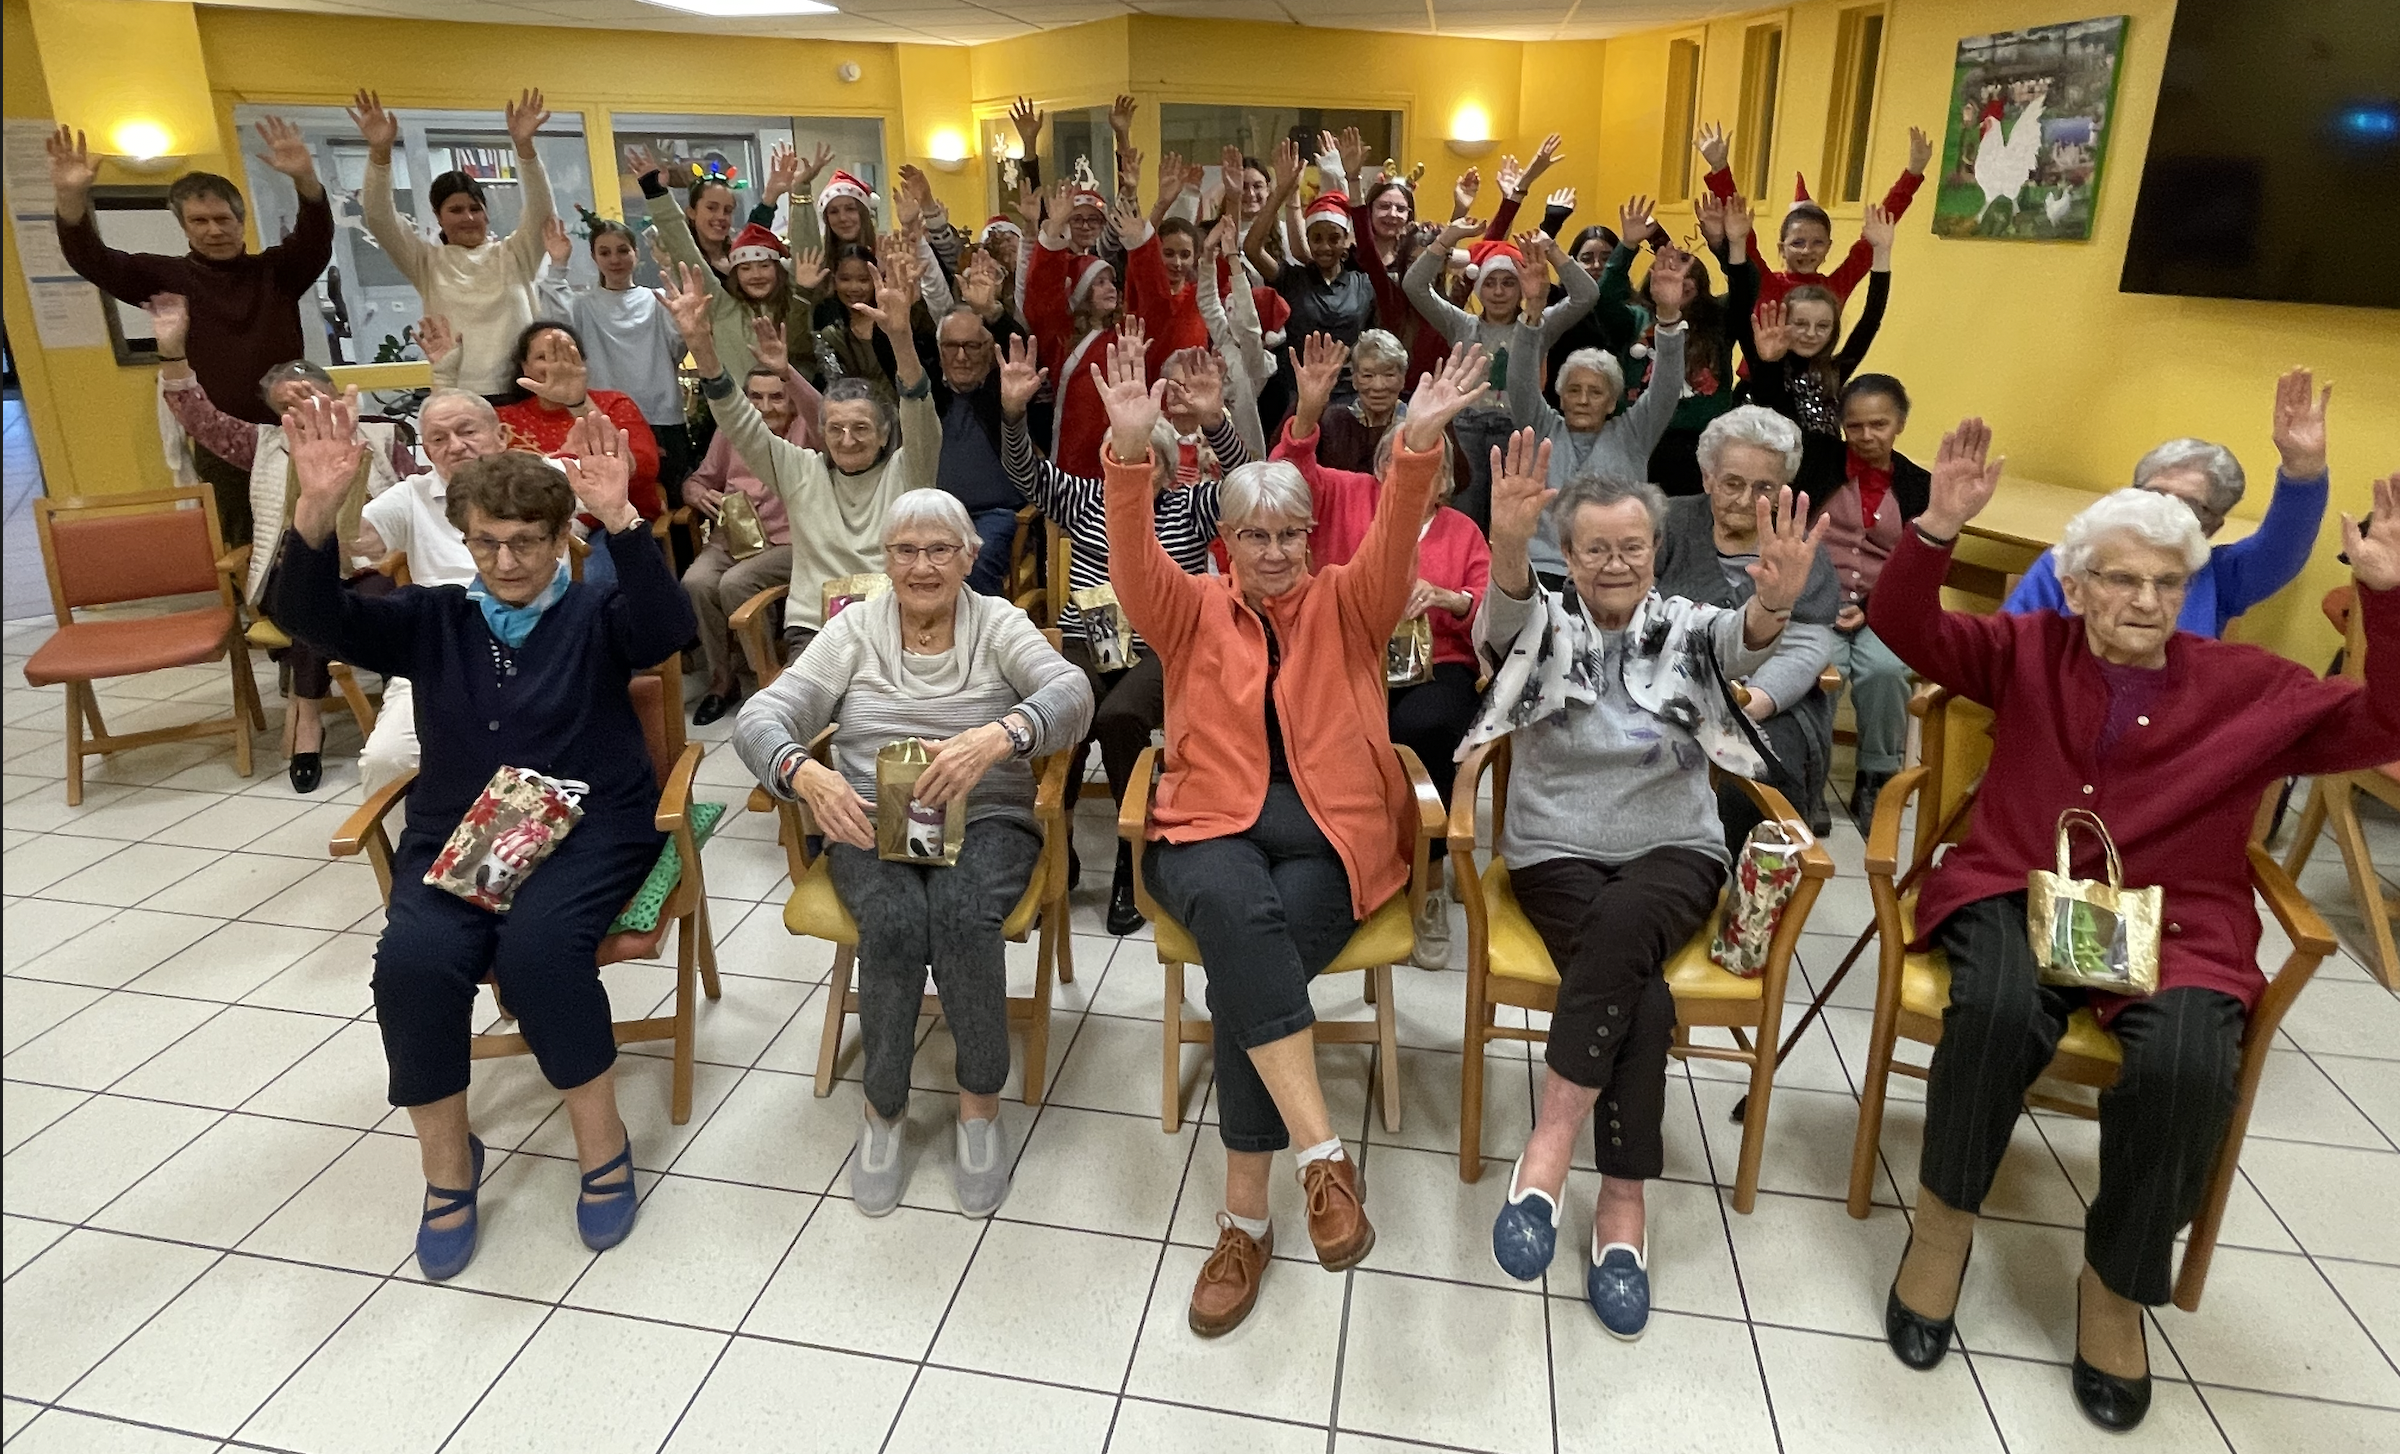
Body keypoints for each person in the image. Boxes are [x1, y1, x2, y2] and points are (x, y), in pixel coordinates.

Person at [1868, 423, 2400, 1432]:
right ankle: (1942, 1227)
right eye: (2120, 580)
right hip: (2017, 886)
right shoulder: (2030, 646)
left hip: (2180, 920)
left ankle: (2116, 1282)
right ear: (2075, 586)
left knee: (2193, 1061)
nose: (2145, 602)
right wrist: (1936, 525)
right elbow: (1911, 627)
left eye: (2166, 581)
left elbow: (2385, 721)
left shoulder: (2251, 688)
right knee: (1996, 1005)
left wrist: (2388, 597)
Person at [1102, 335, 1492, 1338]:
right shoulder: (1186, 611)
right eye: (1255, 535)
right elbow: (1134, 561)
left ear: (1313, 537)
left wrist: (1418, 443)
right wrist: (1132, 450)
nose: (1274, 550)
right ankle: (1323, 1160)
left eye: (1291, 533)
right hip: (1206, 827)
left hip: (1334, 836)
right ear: (1225, 541)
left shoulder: (1351, 604)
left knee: (1245, 969)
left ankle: (1244, 1225)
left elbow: (1400, 524)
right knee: (1237, 911)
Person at [272, 397, 697, 1281]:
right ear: (464, 539)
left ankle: (602, 1141)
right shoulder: (434, 619)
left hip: (591, 825)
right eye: (487, 543)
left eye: (527, 543)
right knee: (415, 962)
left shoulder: (594, 611)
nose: (507, 562)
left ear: (556, 539)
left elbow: (666, 631)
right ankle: (446, 1169)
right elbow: (310, 621)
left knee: (542, 948)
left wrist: (619, 516)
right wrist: (314, 509)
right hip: (462, 834)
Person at [1471, 429, 1825, 1341]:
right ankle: (1621, 1200)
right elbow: (1500, 622)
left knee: (1627, 920)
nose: (1617, 562)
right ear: (1573, 557)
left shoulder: (1688, 625)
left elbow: (1743, 645)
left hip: (1675, 853)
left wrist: (1774, 608)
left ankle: (1550, 1144)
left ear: (1655, 551)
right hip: (1555, 852)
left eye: (1633, 546)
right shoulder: (1542, 621)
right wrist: (1509, 545)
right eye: (1596, 548)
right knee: (1646, 997)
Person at [734, 488, 1090, 1218]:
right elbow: (763, 715)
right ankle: (883, 1112)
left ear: (970, 556)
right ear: (885, 559)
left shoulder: (997, 623)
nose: (922, 566)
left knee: (960, 915)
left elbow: (1073, 691)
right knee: (895, 920)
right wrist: (803, 773)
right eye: (905, 551)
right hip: (872, 813)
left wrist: (1003, 736)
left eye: (939, 550)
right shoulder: (855, 631)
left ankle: (979, 1106)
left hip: (988, 815)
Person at [996, 335, 1241, 937]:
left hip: (1163, 646)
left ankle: (1134, 861)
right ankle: (1063, 842)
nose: (1132, 465)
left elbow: (1247, 480)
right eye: (1119, 451)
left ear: (1162, 466)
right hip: (1086, 635)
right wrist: (1013, 413)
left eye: (1146, 458)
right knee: (1065, 708)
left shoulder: (1189, 507)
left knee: (1118, 716)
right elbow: (1024, 471)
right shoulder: (1084, 499)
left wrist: (1215, 422)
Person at [146, 295, 409, 793]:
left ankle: (311, 716)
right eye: (288, 404)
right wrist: (173, 354)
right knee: (311, 597)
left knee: (333, 604)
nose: (303, 408)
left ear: (335, 394)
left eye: (312, 395)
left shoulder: (384, 437)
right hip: (288, 572)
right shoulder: (260, 444)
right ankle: (313, 715)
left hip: (376, 568)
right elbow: (197, 417)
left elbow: (426, 494)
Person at [50, 118, 331, 542]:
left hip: (296, 433)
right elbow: (92, 259)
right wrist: (71, 197)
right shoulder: (165, 277)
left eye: (222, 218)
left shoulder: (278, 272)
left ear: (240, 221)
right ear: (183, 225)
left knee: (315, 536)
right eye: (199, 220)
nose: (214, 230)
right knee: (243, 544)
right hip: (220, 443)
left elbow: (315, 237)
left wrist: (306, 180)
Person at [661, 247, 937, 661]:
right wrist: (701, 346)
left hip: (894, 627)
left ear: (884, 435)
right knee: (793, 719)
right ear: (820, 432)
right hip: (814, 632)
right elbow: (741, 423)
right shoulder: (801, 470)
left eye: (861, 428)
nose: (847, 439)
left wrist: (900, 338)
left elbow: (918, 409)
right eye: (836, 428)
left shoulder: (907, 470)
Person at [2001, 368, 2334, 639]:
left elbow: (2281, 548)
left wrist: (2303, 470)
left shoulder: (2217, 576)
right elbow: (2007, 646)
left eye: (2187, 505)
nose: (2163, 512)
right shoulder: (2069, 561)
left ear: (2212, 526)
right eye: (2155, 495)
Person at [1655, 406, 1842, 838]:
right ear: (1707, 478)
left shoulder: (1799, 547)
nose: (1745, 499)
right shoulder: (1667, 523)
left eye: (1764, 487)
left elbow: (1808, 643)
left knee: (1754, 784)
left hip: (1769, 702)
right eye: (1732, 483)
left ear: (1784, 489)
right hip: (1664, 689)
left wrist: (1756, 699)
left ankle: (1747, 892)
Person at [350, 89, 553, 398]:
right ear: (438, 217)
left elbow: (541, 212)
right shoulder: (426, 263)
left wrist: (525, 148)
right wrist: (380, 154)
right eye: (455, 210)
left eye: (475, 209)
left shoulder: (515, 254)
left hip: (524, 392)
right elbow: (380, 218)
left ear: (486, 213)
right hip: (460, 397)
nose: (468, 218)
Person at [1505, 251, 1691, 586]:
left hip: (1613, 573)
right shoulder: (1542, 425)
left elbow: (1665, 386)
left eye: (1596, 392)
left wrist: (1667, 315)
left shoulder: (1634, 433)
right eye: (1574, 390)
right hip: (1542, 570)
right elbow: (1519, 379)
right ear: (1559, 397)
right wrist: (1532, 312)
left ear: (1611, 402)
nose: (1583, 399)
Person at [353, 387, 501, 793]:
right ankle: (411, 857)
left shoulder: (539, 479)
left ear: (499, 435)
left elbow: (614, 490)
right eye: (438, 438)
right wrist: (334, 488)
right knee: (387, 759)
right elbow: (354, 540)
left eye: (467, 431)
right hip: (438, 652)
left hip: (536, 646)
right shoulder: (411, 496)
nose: (455, 446)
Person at [681, 319, 823, 725]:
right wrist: (696, 493)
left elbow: (820, 413)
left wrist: (789, 375)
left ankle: (767, 682)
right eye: (755, 398)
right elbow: (699, 479)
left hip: (789, 543)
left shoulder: (807, 430)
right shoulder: (732, 432)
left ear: (791, 399)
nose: (765, 407)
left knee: (736, 583)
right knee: (697, 581)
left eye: (776, 397)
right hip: (733, 538)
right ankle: (722, 680)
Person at [1818, 374, 1931, 825]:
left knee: (1884, 670)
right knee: (1821, 669)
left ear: (1900, 423)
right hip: (1813, 603)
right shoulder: (1817, 464)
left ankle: (1875, 778)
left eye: (1879, 425)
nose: (1866, 436)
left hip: (1883, 610)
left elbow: (1917, 567)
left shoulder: (1920, 486)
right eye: (1855, 426)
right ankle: (1809, 777)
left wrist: (1865, 609)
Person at [1595, 193, 1757, 495]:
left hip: (1700, 447)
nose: (1676, 276)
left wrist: (1728, 246)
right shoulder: (1636, 319)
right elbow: (1604, 299)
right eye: (1666, 269)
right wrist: (1627, 246)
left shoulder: (1719, 319)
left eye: (1685, 267)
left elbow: (1746, 287)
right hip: (1639, 442)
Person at [1739, 204, 1897, 505]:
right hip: (1772, 489)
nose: (1811, 333)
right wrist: (1737, 244)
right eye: (1800, 324)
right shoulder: (1765, 368)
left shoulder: (1832, 371)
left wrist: (1882, 252)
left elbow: (1871, 319)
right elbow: (1741, 299)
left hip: (1822, 490)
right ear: (1783, 322)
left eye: (1822, 326)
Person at [636, 149, 828, 386]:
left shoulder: (791, 297)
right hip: (739, 406)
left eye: (728, 210)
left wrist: (796, 192)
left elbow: (800, 257)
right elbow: (682, 246)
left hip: (797, 407)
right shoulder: (718, 303)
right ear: (692, 212)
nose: (755, 274)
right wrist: (657, 194)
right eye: (745, 268)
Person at [1697, 121, 1931, 313]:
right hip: (1757, 372)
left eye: (1817, 242)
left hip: (1819, 371)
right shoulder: (1766, 283)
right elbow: (1742, 235)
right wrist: (1719, 167)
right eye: (1797, 243)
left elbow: (1874, 238)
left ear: (1829, 246)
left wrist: (1913, 173)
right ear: (1782, 247)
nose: (1807, 251)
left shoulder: (1834, 288)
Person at [1024, 183, 1174, 478]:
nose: (1111, 289)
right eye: (1100, 282)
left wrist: (1141, 246)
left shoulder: (1126, 335)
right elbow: (1039, 297)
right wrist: (1053, 230)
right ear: (1080, 293)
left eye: (1112, 281)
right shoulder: (1062, 338)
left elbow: (1157, 304)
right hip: (1072, 464)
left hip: (1123, 453)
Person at [536, 218, 694, 490]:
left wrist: (671, 271)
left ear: (636, 253)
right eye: (605, 252)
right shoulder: (583, 305)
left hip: (662, 418)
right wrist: (558, 265)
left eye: (622, 250)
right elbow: (556, 329)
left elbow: (678, 344)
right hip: (602, 418)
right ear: (594, 258)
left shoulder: (657, 301)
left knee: (672, 498)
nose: (615, 259)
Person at [491, 321, 665, 521]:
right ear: (524, 367)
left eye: (565, 355)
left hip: (611, 523)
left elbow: (643, 469)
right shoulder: (501, 418)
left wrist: (578, 403)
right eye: (542, 357)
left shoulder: (615, 404)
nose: (555, 365)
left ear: (582, 362)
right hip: (527, 528)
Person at [1243, 140, 1378, 392]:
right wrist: (1281, 191)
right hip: (1295, 392)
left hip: (1349, 394)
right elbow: (1252, 248)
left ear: (1346, 240)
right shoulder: (1292, 278)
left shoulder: (1364, 283)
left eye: (1334, 238)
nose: (1325, 247)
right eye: (1316, 238)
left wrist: (1352, 178)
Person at [1406, 222, 1597, 397]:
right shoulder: (1461, 325)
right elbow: (1414, 285)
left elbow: (1586, 295)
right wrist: (1446, 240)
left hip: (1522, 428)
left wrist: (1552, 250)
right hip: (1466, 428)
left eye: (1508, 283)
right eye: (1489, 283)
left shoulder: (1539, 325)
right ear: (1479, 290)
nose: (1498, 292)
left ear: (1521, 289)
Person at [928, 303, 1034, 596]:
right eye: (952, 346)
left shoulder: (1002, 395)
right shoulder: (931, 397)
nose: (961, 356)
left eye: (973, 346)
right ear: (940, 351)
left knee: (972, 563)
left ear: (989, 349)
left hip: (995, 516)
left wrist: (996, 314)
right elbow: (896, 356)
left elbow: (1018, 353)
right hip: (937, 516)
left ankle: (981, 639)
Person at [1306, 328, 1408, 474]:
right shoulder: (1332, 420)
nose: (1378, 386)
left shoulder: (1417, 425)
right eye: (1367, 376)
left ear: (1402, 379)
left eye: (1389, 375)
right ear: (1354, 380)